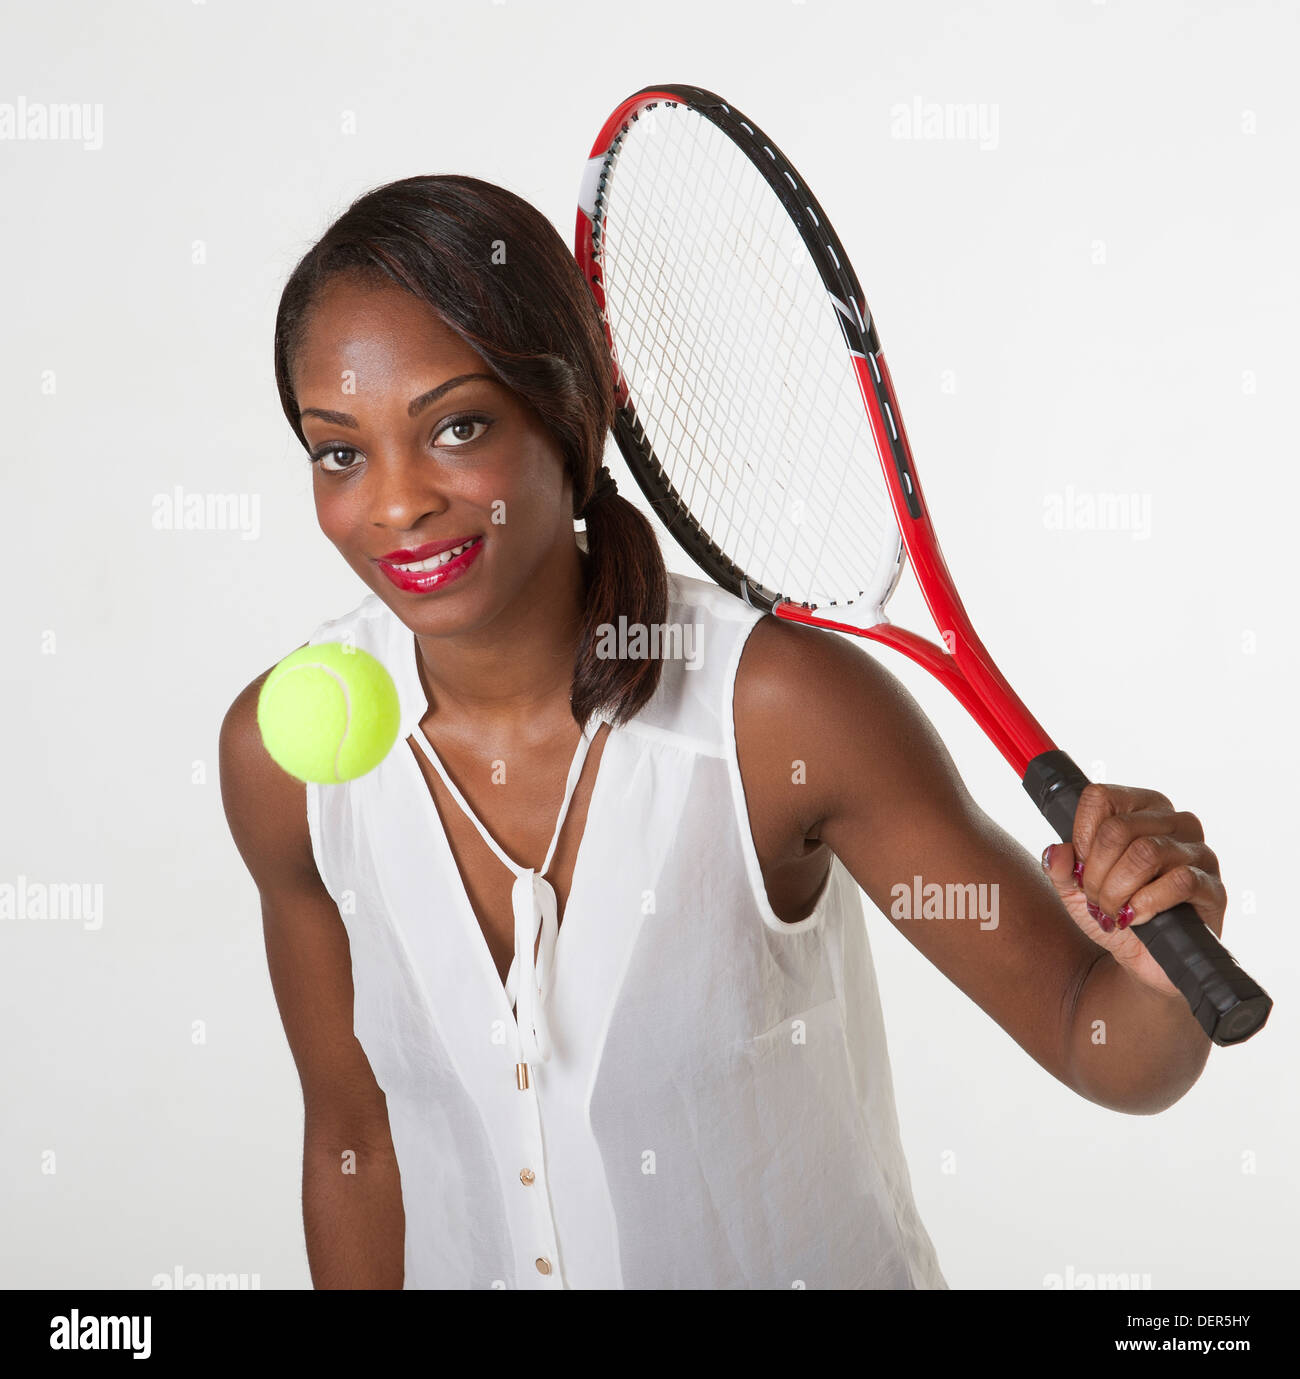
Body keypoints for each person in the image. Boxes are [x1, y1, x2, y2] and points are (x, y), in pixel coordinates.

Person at [218, 175, 1227, 1290]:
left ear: (576, 415)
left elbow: (1103, 1046)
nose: (396, 504)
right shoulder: (284, 762)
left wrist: (1153, 976)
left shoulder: (782, 712)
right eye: (339, 451)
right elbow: (351, 1137)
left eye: (458, 425)